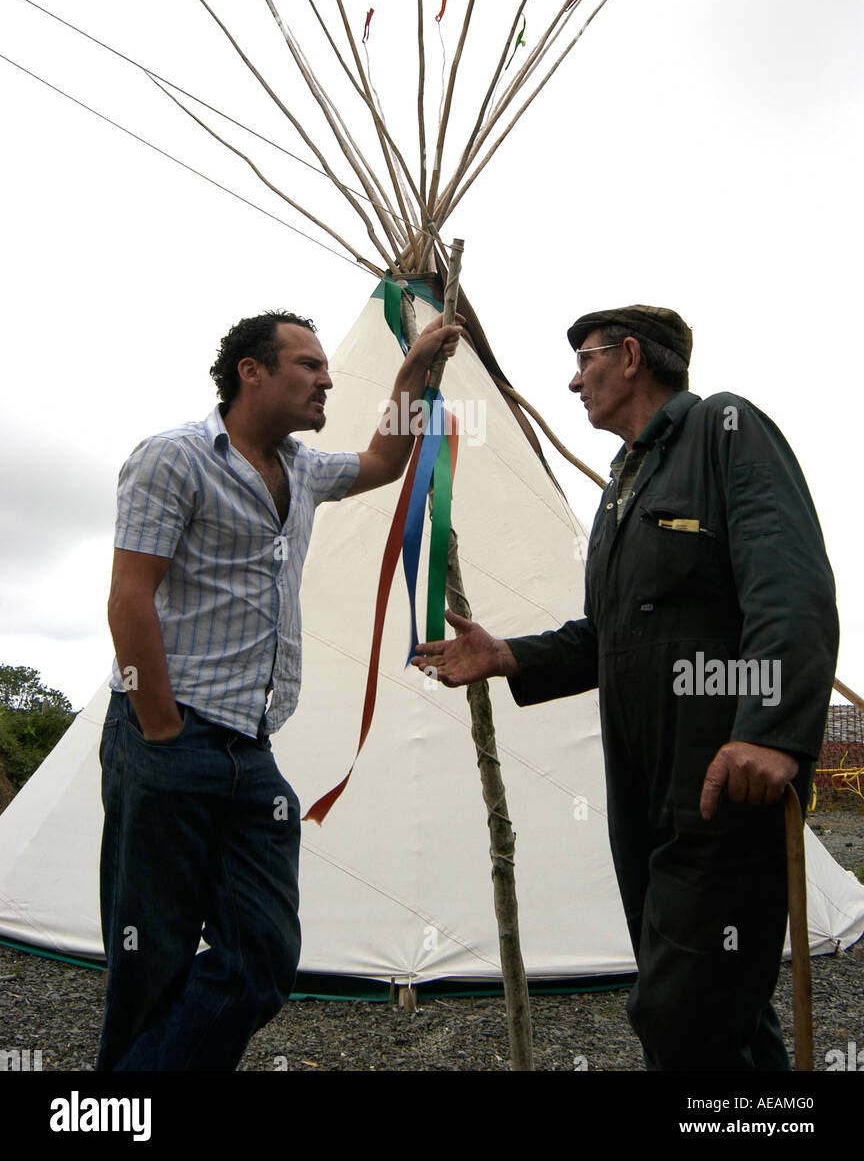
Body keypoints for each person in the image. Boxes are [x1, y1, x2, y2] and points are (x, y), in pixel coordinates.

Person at [414, 304, 838, 1071]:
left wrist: (771, 732)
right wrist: (505, 653)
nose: (572, 380)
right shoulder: (623, 486)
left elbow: (792, 588)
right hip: (643, 797)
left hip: (720, 784)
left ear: (632, 355)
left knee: (677, 1015)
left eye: (585, 360)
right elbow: (609, 637)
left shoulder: (723, 433)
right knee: (724, 1013)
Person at [99, 305, 461, 1071]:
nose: (326, 378)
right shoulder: (173, 458)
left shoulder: (301, 466)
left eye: (327, 367)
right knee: (151, 963)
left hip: (250, 748)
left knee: (262, 957)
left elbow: (382, 462)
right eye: (309, 365)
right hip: (169, 736)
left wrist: (409, 377)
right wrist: (159, 727)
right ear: (250, 372)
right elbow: (129, 597)